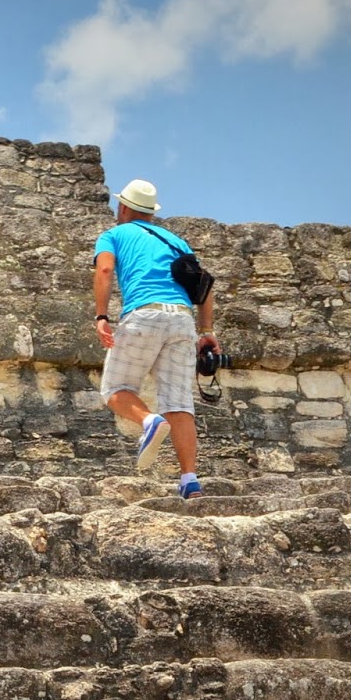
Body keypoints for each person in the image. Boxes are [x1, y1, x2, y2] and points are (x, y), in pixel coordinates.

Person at [91, 178, 220, 498]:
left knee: (114, 389)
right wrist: (207, 333)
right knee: (179, 402)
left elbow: (105, 271)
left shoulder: (113, 235)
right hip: (181, 320)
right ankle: (190, 479)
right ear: (150, 212)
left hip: (144, 315)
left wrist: (102, 315)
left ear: (122, 207)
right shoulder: (178, 243)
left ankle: (149, 422)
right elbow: (204, 287)